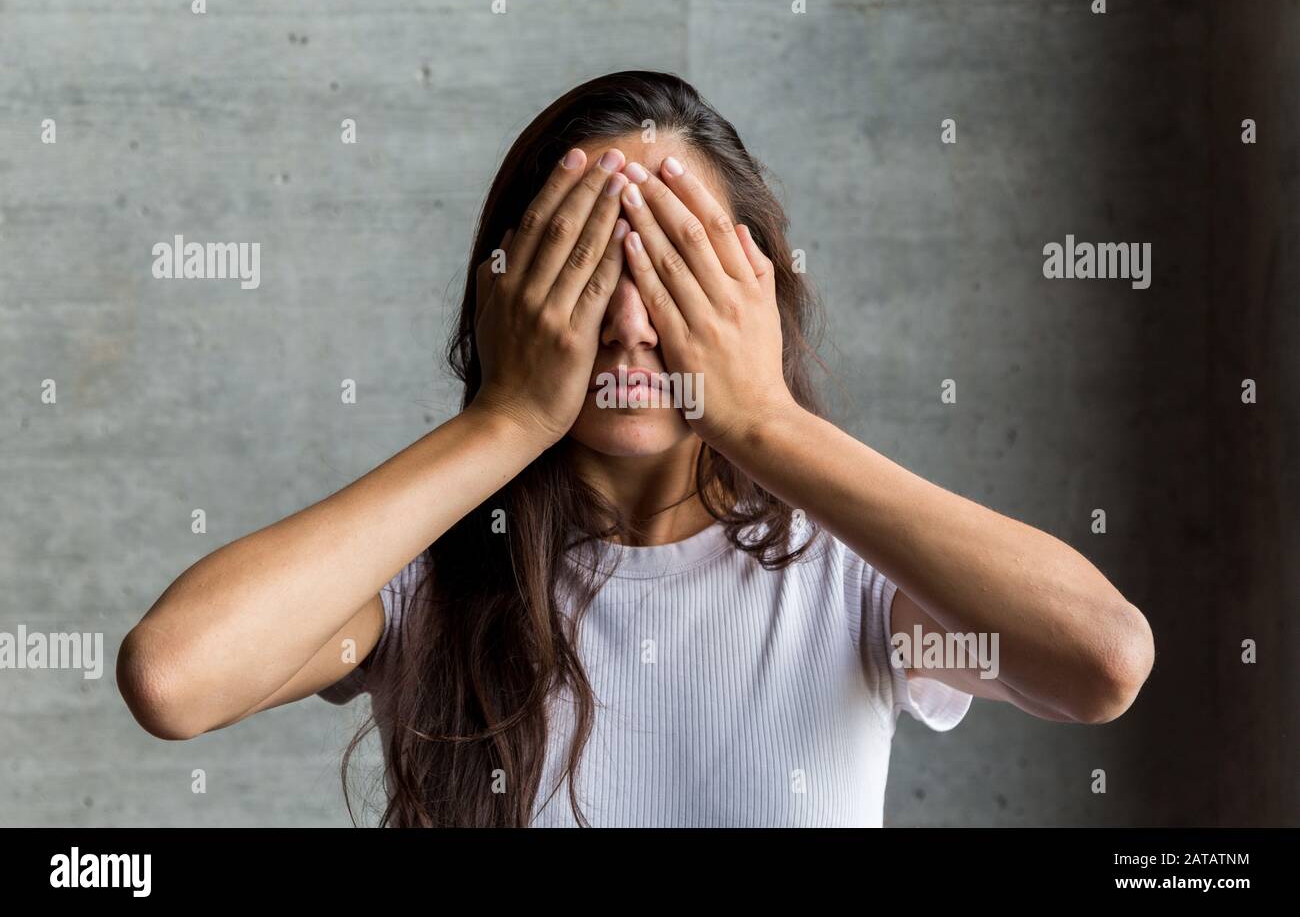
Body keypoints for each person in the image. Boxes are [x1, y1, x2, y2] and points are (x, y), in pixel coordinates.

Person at [118, 70, 1155, 827]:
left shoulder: (849, 575)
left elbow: (1100, 660)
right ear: (506, 294)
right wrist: (506, 418)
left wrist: (762, 421)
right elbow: (173, 677)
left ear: (754, 296)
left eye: (669, 264)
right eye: (583, 260)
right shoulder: (424, 576)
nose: (628, 321)